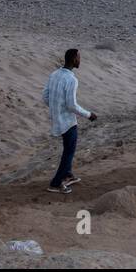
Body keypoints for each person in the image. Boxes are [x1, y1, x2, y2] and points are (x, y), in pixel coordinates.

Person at [41, 48, 97, 194]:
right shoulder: (71, 79)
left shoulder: (54, 74)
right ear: (73, 59)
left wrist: (55, 108)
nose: (80, 60)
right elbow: (71, 105)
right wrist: (88, 114)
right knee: (69, 152)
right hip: (67, 122)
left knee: (68, 148)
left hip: (56, 118)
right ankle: (56, 183)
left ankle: (68, 174)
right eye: (79, 58)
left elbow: (45, 96)